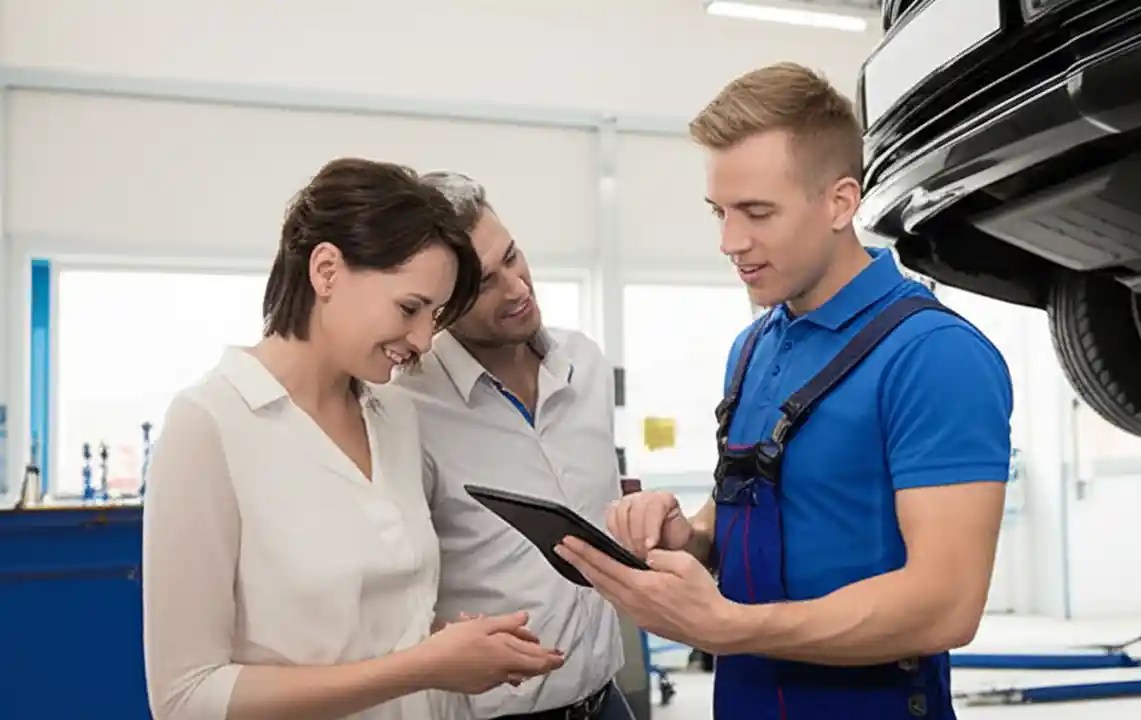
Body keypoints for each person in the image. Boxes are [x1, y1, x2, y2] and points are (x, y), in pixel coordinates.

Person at [555, 63, 1013, 719]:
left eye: (757, 213)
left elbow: (946, 604)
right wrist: (685, 536)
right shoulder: (755, 346)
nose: (729, 242)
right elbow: (748, 506)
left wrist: (730, 628)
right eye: (720, 212)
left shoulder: (934, 357)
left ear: (841, 202)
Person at [141, 158, 566, 720]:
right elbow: (185, 697)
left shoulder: (392, 413)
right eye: (410, 308)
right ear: (326, 270)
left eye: (434, 315)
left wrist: (462, 649)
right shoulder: (210, 423)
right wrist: (425, 666)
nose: (421, 340)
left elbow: (375, 627)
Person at [387, 171, 633, 720]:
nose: (518, 288)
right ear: (441, 304)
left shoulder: (584, 365)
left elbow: (602, 520)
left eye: (513, 257)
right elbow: (389, 603)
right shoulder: (404, 408)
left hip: (606, 700)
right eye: (483, 283)